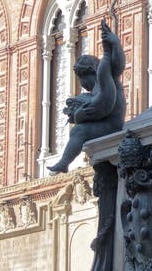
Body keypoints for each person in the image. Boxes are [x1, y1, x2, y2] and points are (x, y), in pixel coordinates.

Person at [47, 18, 126, 173]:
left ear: (87, 74)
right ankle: (64, 162)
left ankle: (64, 162)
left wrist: (113, 45)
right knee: (78, 130)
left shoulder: (104, 75)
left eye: (81, 80)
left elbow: (118, 64)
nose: (83, 86)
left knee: (78, 131)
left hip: (113, 123)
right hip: (109, 122)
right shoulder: (101, 81)